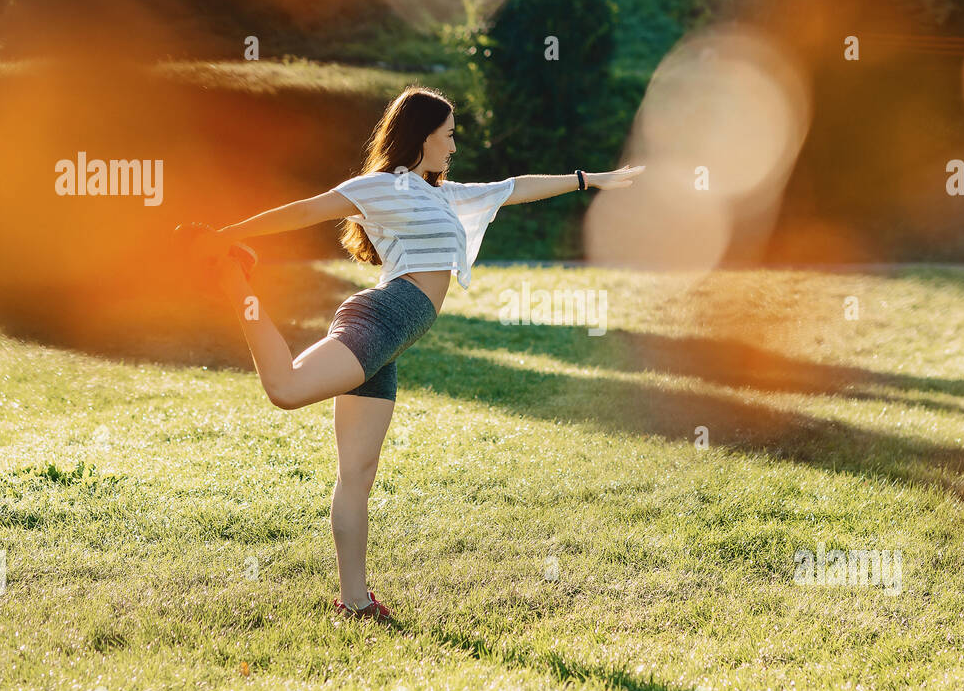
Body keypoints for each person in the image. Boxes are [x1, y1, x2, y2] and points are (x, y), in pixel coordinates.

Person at [182, 85, 643, 621]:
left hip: (391, 336)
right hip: (382, 317)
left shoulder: (442, 195)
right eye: (448, 135)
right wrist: (224, 237)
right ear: (422, 136)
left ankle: (355, 602)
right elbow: (308, 209)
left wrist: (590, 180)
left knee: (358, 470)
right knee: (285, 389)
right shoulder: (380, 187)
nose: (454, 146)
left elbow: (516, 187)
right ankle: (233, 276)